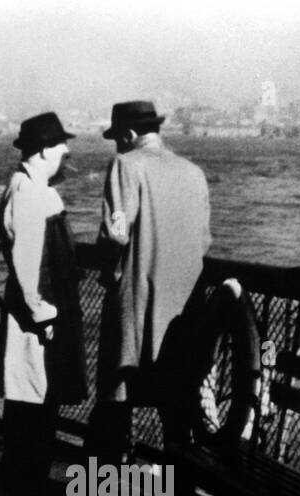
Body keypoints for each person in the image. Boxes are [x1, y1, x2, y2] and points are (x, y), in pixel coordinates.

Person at [89, 100, 212, 465]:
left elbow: (116, 233)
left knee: (117, 400)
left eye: (117, 138)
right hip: (185, 313)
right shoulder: (194, 172)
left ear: (128, 135)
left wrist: (106, 270)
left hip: (137, 303)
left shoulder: (126, 165)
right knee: (175, 408)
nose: (116, 145)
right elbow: (204, 241)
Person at [0, 111, 88, 496]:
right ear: (43, 150)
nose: (66, 151)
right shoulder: (29, 192)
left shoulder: (30, 187)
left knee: (31, 398)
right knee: (35, 400)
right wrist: (42, 312)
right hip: (39, 315)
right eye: (60, 145)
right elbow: (29, 259)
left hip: (39, 310)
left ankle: (20, 478)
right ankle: (25, 483)